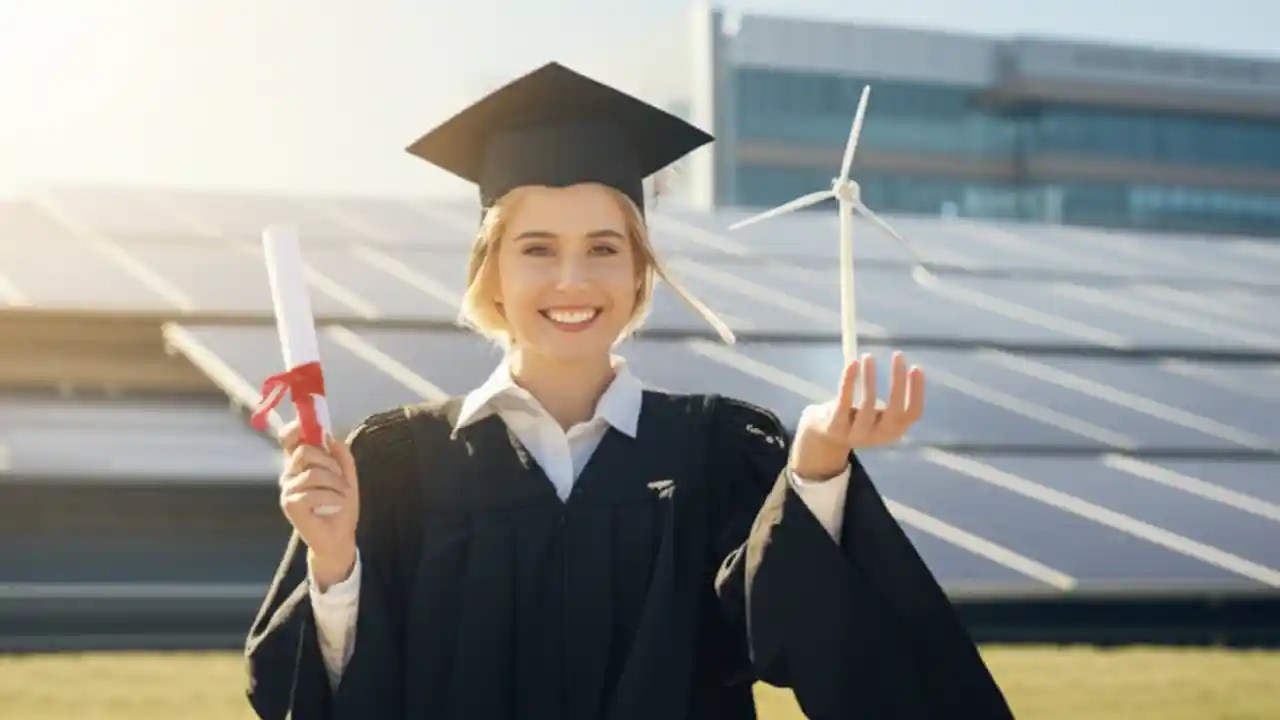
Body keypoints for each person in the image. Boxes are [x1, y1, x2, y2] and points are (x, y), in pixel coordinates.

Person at [244, 62, 1013, 719]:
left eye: (604, 248)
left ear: (640, 271)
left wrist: (814, 469)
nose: (572, 279)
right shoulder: (395, 465)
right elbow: (312, 697)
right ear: (493, 274)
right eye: (537, 248)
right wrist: (338, 559)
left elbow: (797, 634)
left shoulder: (718, 456)